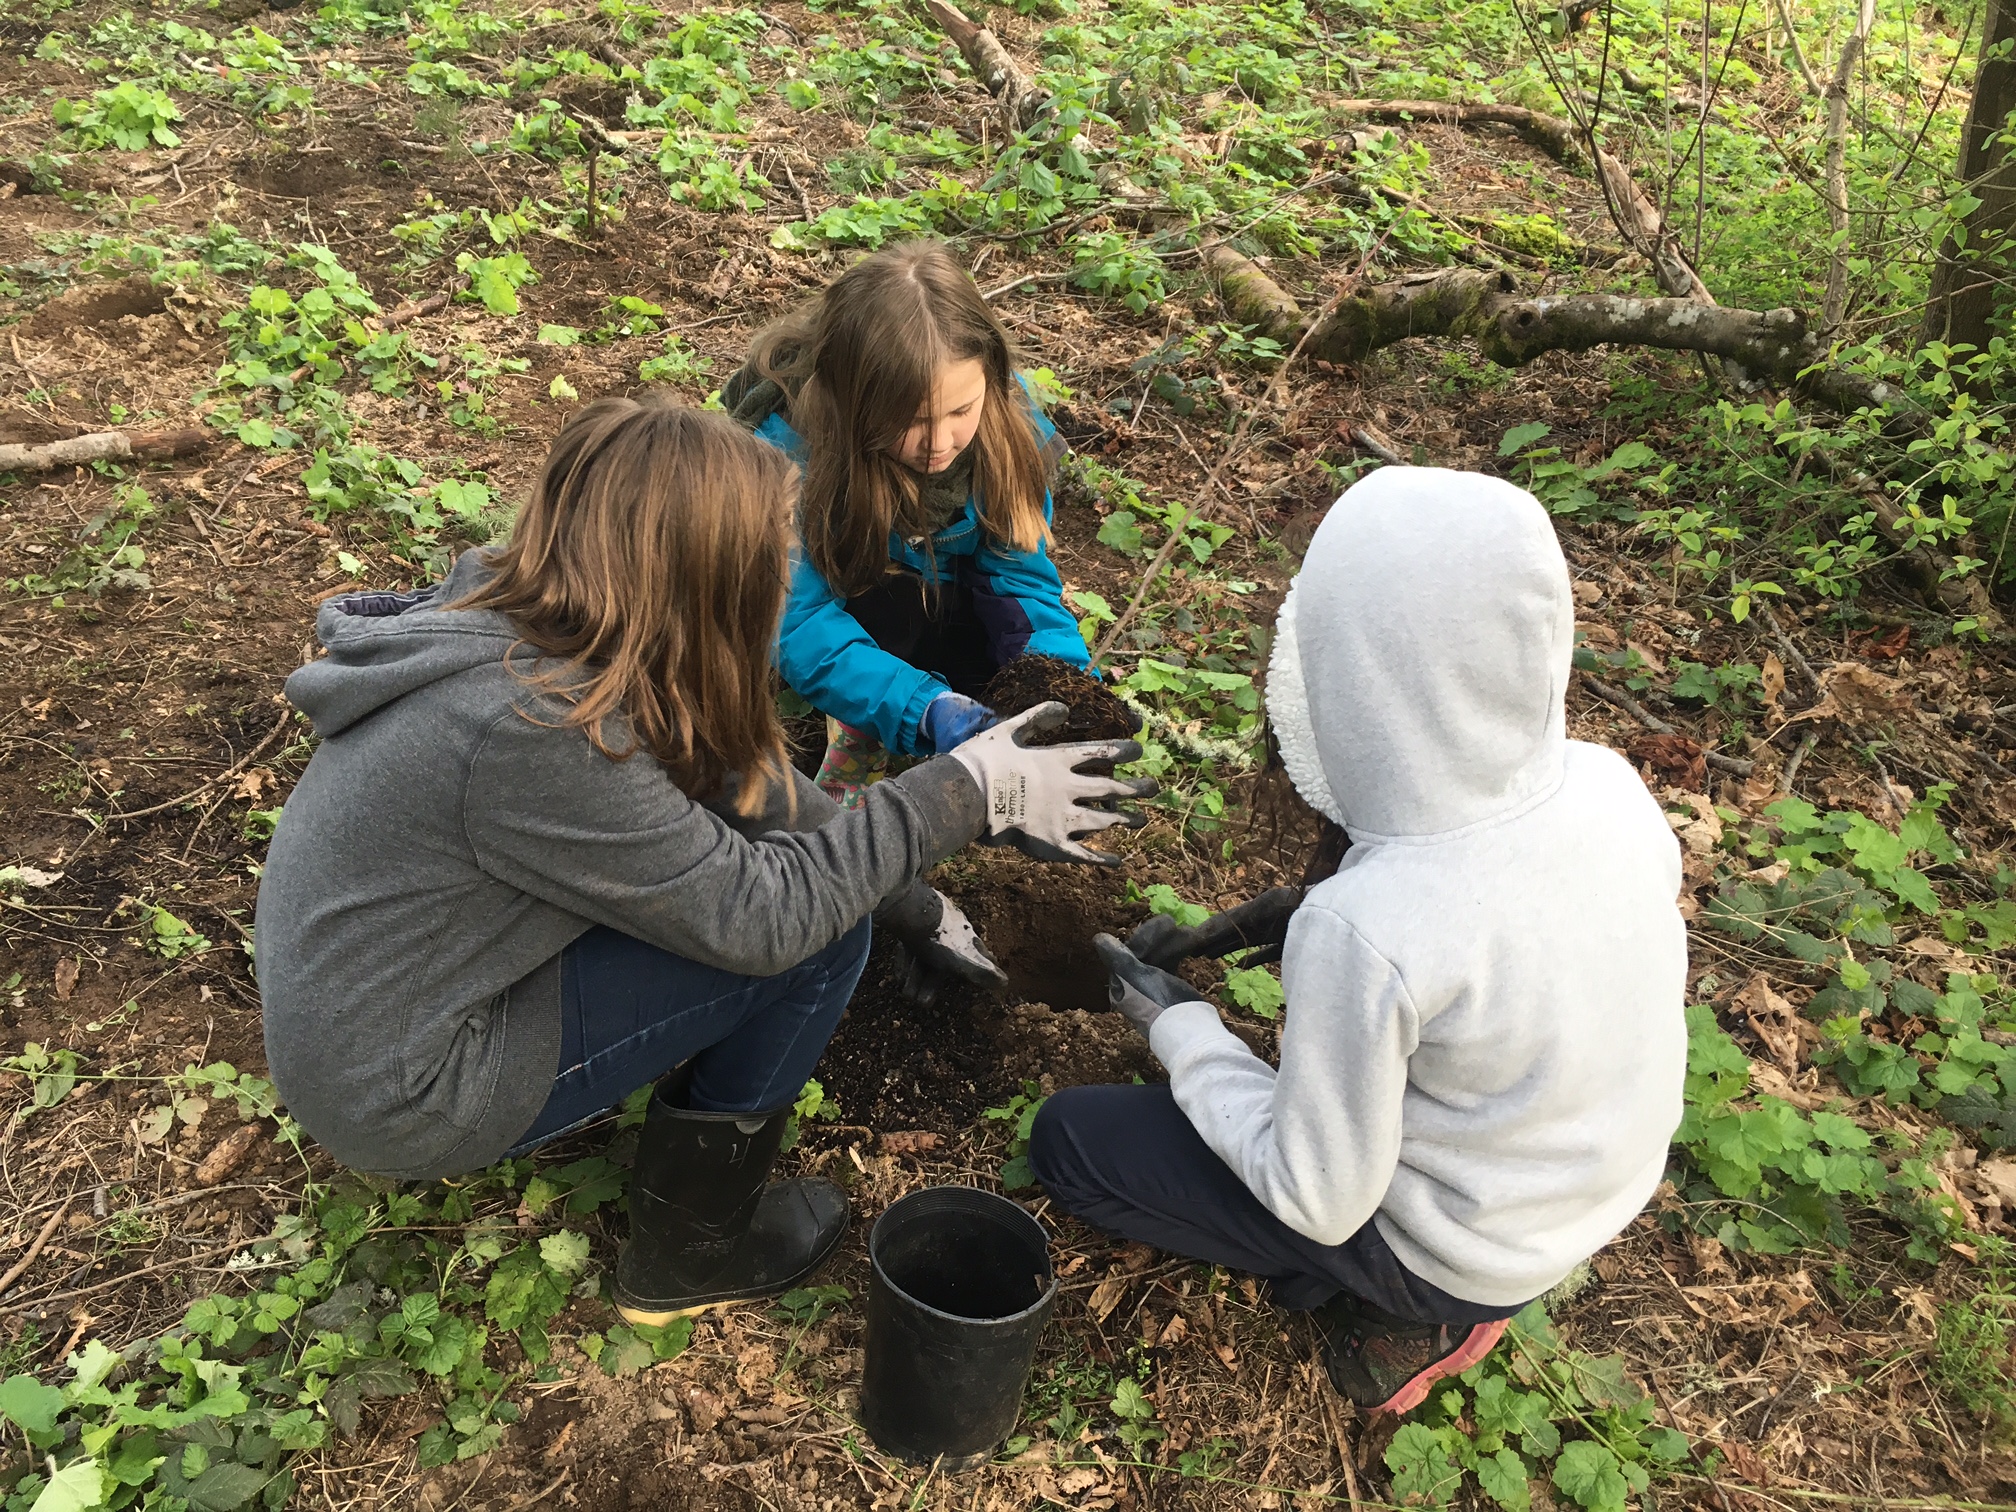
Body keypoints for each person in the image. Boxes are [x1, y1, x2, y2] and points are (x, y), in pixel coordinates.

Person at [255, 398, 1151, 1326]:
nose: (779, 581)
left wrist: (917, 905)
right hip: (404, 1088)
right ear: (701, 573)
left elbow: (737, 780)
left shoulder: (548, 621)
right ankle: (694, 1249)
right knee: (817, 938)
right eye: (772, 561)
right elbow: (767, 919)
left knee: (807, 890)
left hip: (395, 996)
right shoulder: (530, 730)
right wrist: (967, 789)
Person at [1028, 467, 1688, 1414]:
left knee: (1073, 1141)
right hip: (1585, 1192)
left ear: (1359, 677)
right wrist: (1274, 917)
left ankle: (1412, 1310)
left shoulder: (1372, 929)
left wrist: (1180, 1029)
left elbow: (1318, 1193)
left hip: (1463, 1244)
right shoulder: (1607, 785)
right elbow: (1500, 928)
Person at [722, 239, 1091, 814]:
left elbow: (1020, 584)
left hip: (941, 599)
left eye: (961, 412)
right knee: (876, 612)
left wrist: (1056, 685)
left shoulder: (1007, 440)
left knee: (1004, 650)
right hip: (852, 603)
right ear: (851, 401)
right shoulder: (781, 459)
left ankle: (948, 719)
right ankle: (864, 726)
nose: (940, 444)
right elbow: (796, 621)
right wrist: (923, 708)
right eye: (912, 422)